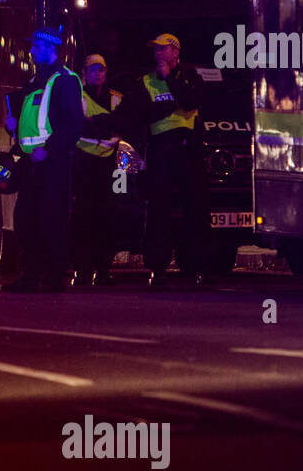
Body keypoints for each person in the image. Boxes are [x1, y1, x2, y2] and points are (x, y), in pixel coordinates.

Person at [120, 32, 209, 287]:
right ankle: (158, 268)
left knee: (195, 211)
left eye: (163, 49)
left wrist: (170, 78)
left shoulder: (190, 75)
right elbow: (137, 113)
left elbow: (191, 100)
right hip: (161, 153)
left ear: (175, 52)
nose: (158, 54)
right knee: (159, 212)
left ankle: (196, 267)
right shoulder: (146, 81)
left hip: (188, 152)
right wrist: (166, 108)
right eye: (156, 50)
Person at [0, 28, 84, 293]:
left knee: (51, 219)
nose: (32, 51)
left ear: (51, 48)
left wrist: (49, 150)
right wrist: (11, 126)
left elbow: (72, 124)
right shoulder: (36, 80)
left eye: (36, 46)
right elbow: (32, 122)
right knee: (26, 220)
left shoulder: (65, 80)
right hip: (30, 162)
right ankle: (32, 273)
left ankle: (54, 275)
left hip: (51, 163)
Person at [71, 54, 123, 286]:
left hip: (109, 165)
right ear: (85, 72)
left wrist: (97, 121)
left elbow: (124, 123)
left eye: (101, 69)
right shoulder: (77, 96)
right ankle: (82, 272)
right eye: (93, 70)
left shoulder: (116, 98)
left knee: (108, 219)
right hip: (83, 163)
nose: (98, 73)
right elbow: (78, 125)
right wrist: (106, 122)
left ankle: (103, 271)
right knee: (82, 220)